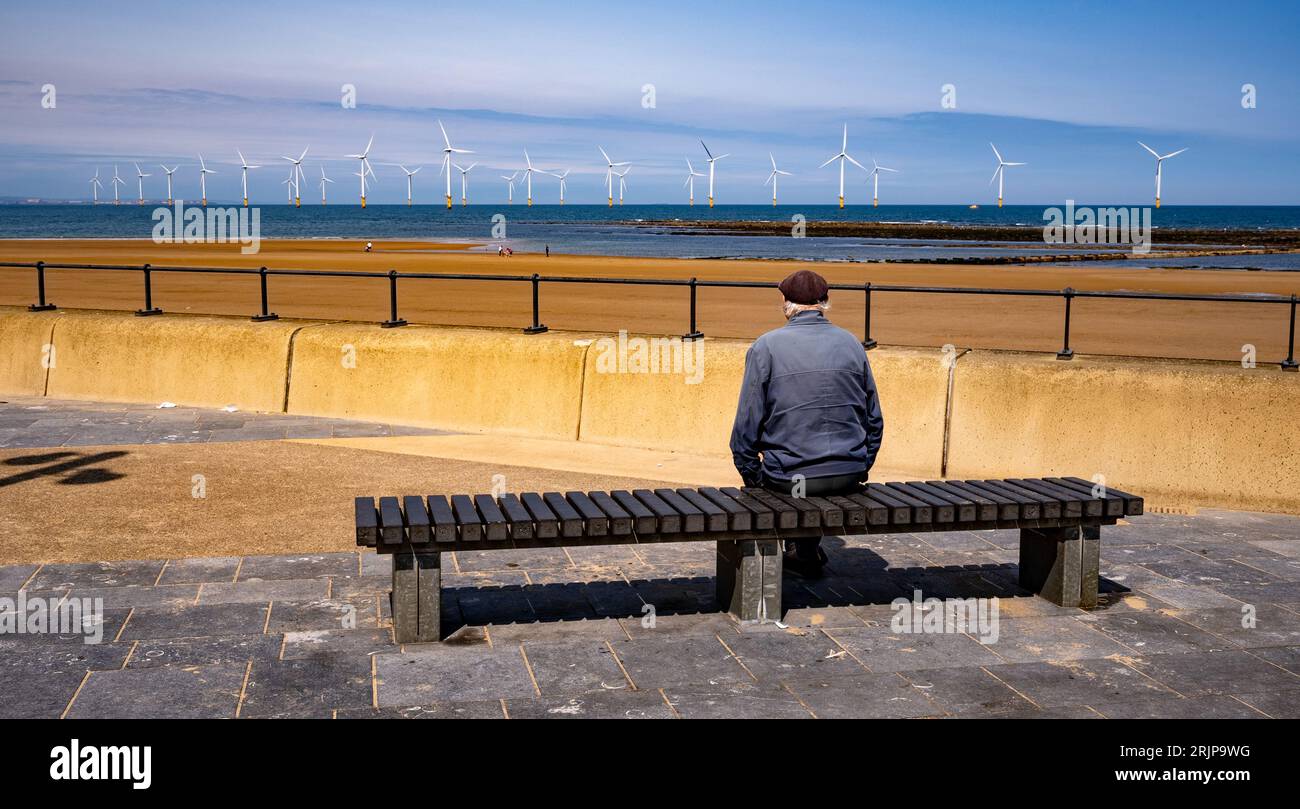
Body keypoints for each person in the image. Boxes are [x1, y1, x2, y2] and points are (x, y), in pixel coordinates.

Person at [729, 269, 884, 577]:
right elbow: (874, 420)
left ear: (786, 302)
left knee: (793, 474)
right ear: (824, 301)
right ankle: (806, 551)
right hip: (848, 474)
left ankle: (795, 551)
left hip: (789, 478)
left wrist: (753, 476)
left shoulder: (766, 346)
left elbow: (745, 430)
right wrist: (861, 464)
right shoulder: (852, 344)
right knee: (809, 469)